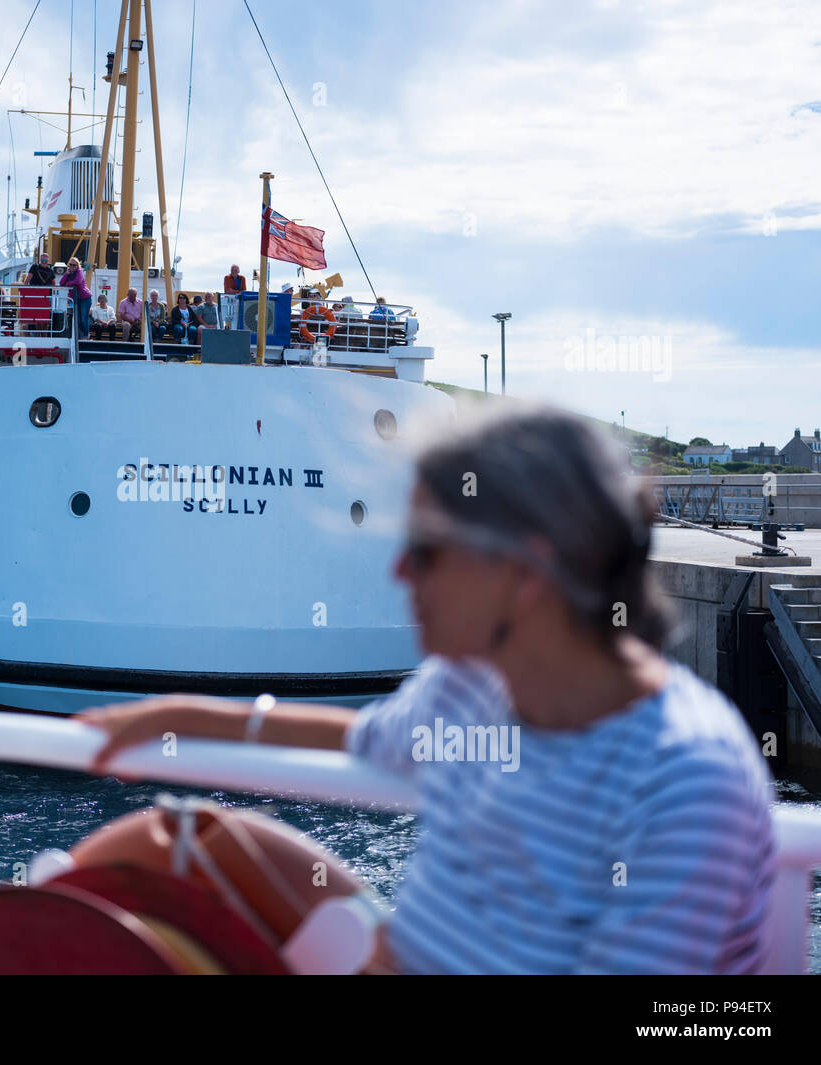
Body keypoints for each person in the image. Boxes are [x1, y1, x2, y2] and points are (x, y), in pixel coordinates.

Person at [79, 403, 777, 975]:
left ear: (526, 572)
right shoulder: (472, 684)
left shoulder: (684, 777)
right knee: (177, 838)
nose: (398, 576)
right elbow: (360, 738)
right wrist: (187, 717)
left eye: (426, 550)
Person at [57, 257, 92, 338]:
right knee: (78, 320)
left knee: (83, 319)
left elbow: (77, 281)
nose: (72, 266)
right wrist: (66, 274)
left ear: (77, 266)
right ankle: (81, 336)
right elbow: (61, 283)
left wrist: (68, 283)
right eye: (70, 265)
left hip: (85, 299)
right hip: (76, 300)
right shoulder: (69, 273)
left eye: (74, 265)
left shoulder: (79, 271)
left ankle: (86, 336)